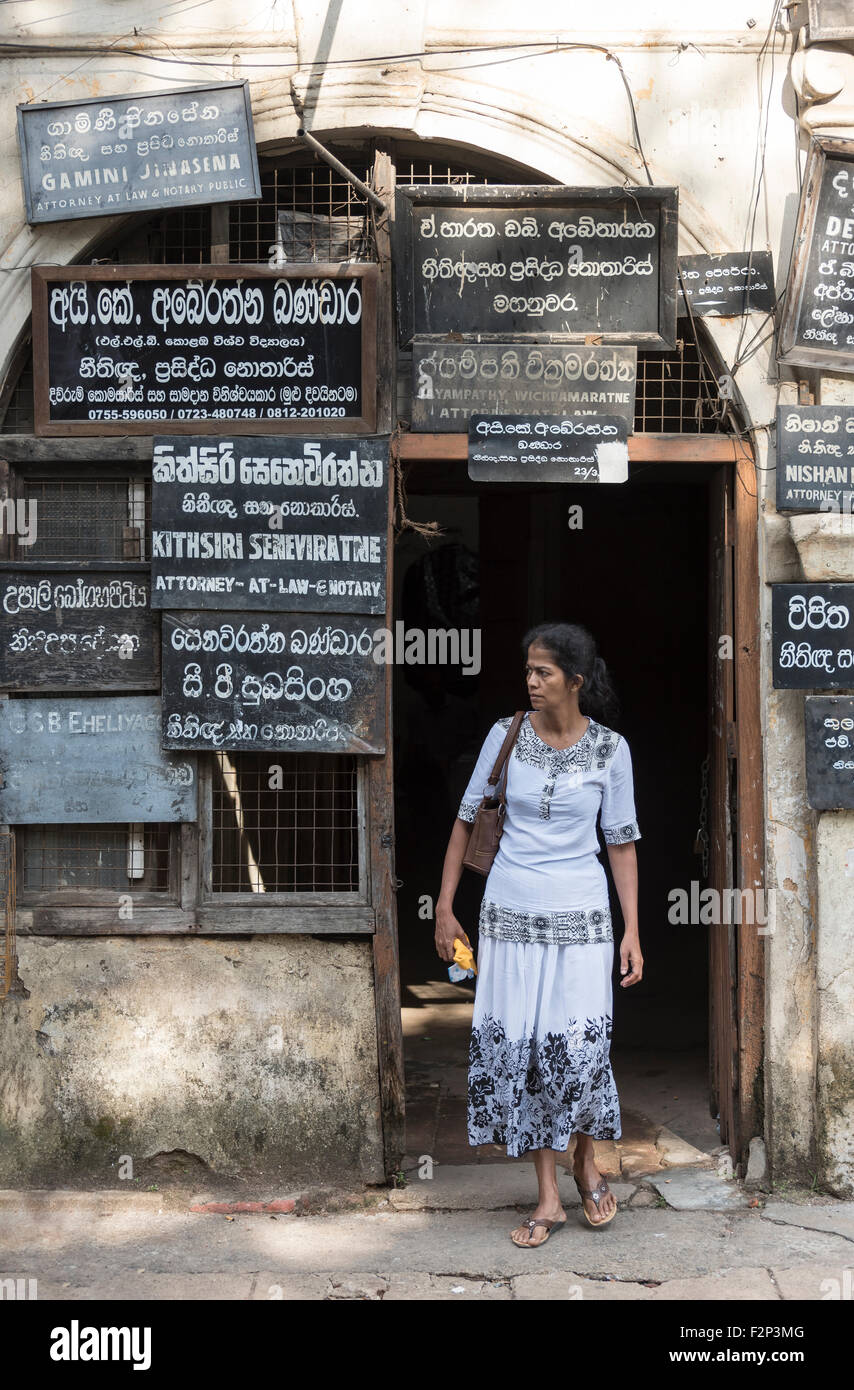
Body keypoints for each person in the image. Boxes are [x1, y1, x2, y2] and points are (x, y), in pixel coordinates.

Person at [435, 622, 643, 1245]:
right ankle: (548, 1196)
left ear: (575, 681)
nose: (530, 681)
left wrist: (633, 930)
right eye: (527, 670)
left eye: (543, 672)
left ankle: (585, 1159)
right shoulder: (504, 737)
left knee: (577, 1051)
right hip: (509, 918)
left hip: (583, 920)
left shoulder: (611, 751)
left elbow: (622, 844)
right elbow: (466, 824)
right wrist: (444, 907)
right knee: (524, 1054)